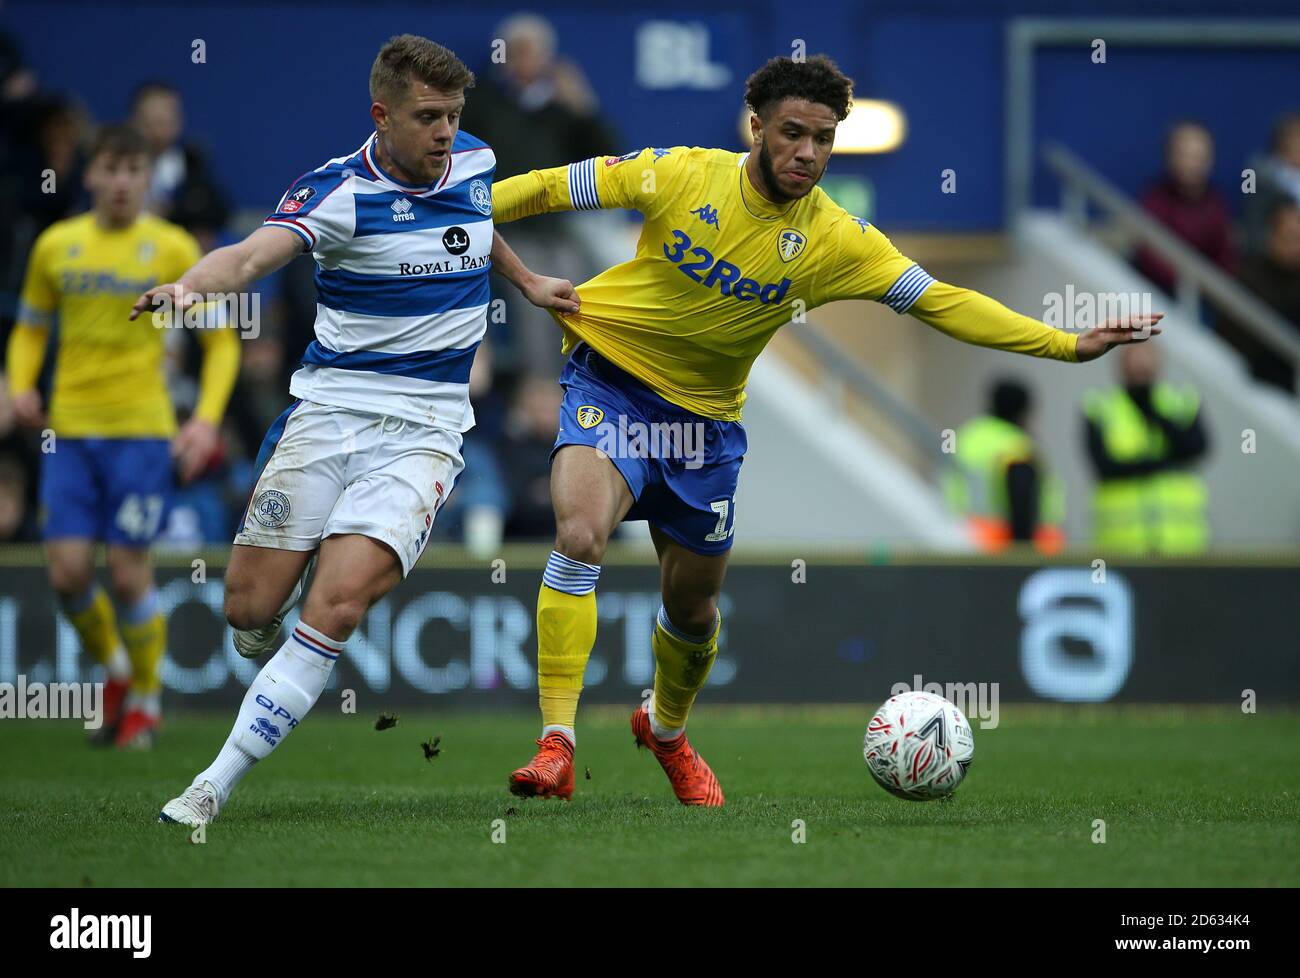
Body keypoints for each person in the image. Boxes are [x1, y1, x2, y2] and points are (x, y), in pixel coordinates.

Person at [489, 55, 1162, 806]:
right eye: (792, 133)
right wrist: (458, 204)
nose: (808, 152)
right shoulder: (677, 173)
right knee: (579, 535)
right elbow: (550, 186)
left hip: (705, 427)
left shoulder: (838, 239)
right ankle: (557, 744)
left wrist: (1064, 343)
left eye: (824, 139)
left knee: (694, 609)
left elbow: (942, 300)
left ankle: (667, 731)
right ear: (757, 128)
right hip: (608, 379)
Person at [140, 34, 575, 827]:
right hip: (329, 415)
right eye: (427, 117)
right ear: (381, 115)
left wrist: (529, 282)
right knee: (245, 611)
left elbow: (476, 225)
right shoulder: (336, 192)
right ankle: (280, 593)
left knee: (334, 610)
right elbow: (246, 259)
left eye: (453, 115)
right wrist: (187, 286)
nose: (445, 133)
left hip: (426, 432)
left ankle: (210, 786)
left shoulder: (475, 161)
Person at [5, 124, 240, 747]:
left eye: (133, 172)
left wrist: (206, 419)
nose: (120, 183)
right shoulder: (57, 246)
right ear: (90, 174)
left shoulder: (169, 247)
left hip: (140, 433)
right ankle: (115, 671)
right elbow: (30, 328)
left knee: (130, 575)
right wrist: (21, 384)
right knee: (68, 575)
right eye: (110, 170)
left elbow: (220, 343)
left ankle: (145, 700)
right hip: (70, 434)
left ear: (145, 179)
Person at [1082, 343, 1209, 555]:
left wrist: (1154, 414)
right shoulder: (1100, 406)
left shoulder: (1181, 401)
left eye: (1145, 363)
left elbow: (1197, 447)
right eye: (1134, 363)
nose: (1140, 370)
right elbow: (1105, 466)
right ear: (1120, 367)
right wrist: (1166, 463)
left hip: (1180, 543)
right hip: (1122, 544)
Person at [944, 379, 1065, 554]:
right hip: (1004, 548)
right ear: (1024, 411)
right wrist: (1024, 552)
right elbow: (1022, 501)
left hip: (962, 541)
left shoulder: (967, 436)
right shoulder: (1016, 444)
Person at [1133, 120, 1234, 297]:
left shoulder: (1216, 203)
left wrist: (1210, 285)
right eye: (1184, 154)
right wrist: (1191, 281)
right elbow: (1150, 256)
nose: (1191, 163)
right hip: (1158, 294)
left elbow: (1225, 257)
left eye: (1198, 156)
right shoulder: (1154, 199)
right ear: (1170, 156)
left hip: (1206, 295)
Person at [1219, 200, 1300, 392]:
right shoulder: (1250, 276)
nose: (1295, 246)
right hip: (1255, 379)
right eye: (1289, 237)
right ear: (1271, 236)